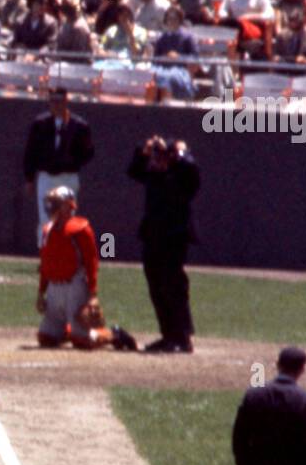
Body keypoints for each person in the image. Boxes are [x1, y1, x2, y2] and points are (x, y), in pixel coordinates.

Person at [34, 186, 137, 351]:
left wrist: (92, 295)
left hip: (74, 285)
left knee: (82, 342)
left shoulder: (80, 229)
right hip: (54, 288)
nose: (50, 207)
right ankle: (70, 331)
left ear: (68, 205)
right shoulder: (47, 230)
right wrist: (41, 292)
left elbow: (91, 261)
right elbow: (46, 264)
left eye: (56, 203)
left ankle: (114, 334)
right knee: (46, 338)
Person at [127, 135, 200, 353]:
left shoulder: (180, 175)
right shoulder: (152, 175)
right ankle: (168, 335)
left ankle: (183, 336)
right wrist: (144, 148)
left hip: (174, 238)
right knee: (156, 287)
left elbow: (192, 172)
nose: (156, 162)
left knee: (174, 287)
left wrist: (180, 152)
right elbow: (133, 169)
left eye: (162, 157)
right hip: (152, 237)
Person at [23, 87, 94, 249]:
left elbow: (88, 152)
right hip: (47, 176)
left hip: (68, 176)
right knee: (45, 218)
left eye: (59, 101)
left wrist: (72, 161)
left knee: (67, 219)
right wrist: (29, 178)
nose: (56, 105)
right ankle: (47, 256)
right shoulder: (40, 124)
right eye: (53, 101)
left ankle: (66, 255)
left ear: (66, 102)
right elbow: (31, 152)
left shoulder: (79, 126)